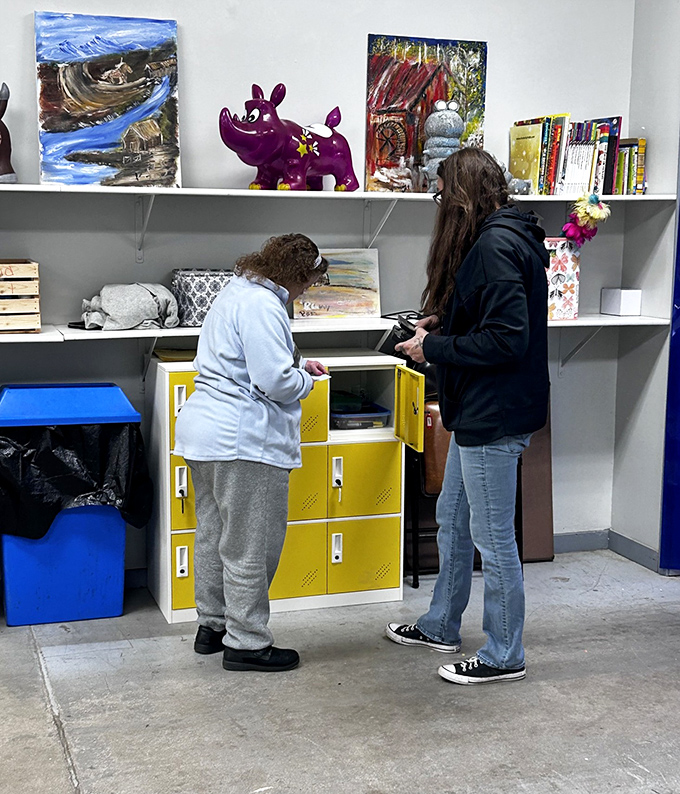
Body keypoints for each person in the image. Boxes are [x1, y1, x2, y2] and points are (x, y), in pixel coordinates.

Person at [386, 148, 549, 685]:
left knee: (492, 536)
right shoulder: (505, 237)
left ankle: (505, 653)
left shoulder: (497, 246)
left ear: (457, 196)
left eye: (439, 194)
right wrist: (446, 318)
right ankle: (441, 624)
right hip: (481, 410)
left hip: (492, 415)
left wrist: (435, 347)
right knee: (454, 518)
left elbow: (506, 338)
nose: (437, 206)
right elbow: (491, 314)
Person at [174, 234, 328, 673]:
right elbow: (272, 383)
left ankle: (214, 626)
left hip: (205, 435)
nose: (304, 293)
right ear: (295, 276)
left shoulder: (236, 290)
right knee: (250, 545)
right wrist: (305, 382)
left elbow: (246, 363)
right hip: (242, 441)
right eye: (307, 284)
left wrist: (297, 366)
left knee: (213, 534)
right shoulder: (263, 304)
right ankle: (248, 642)